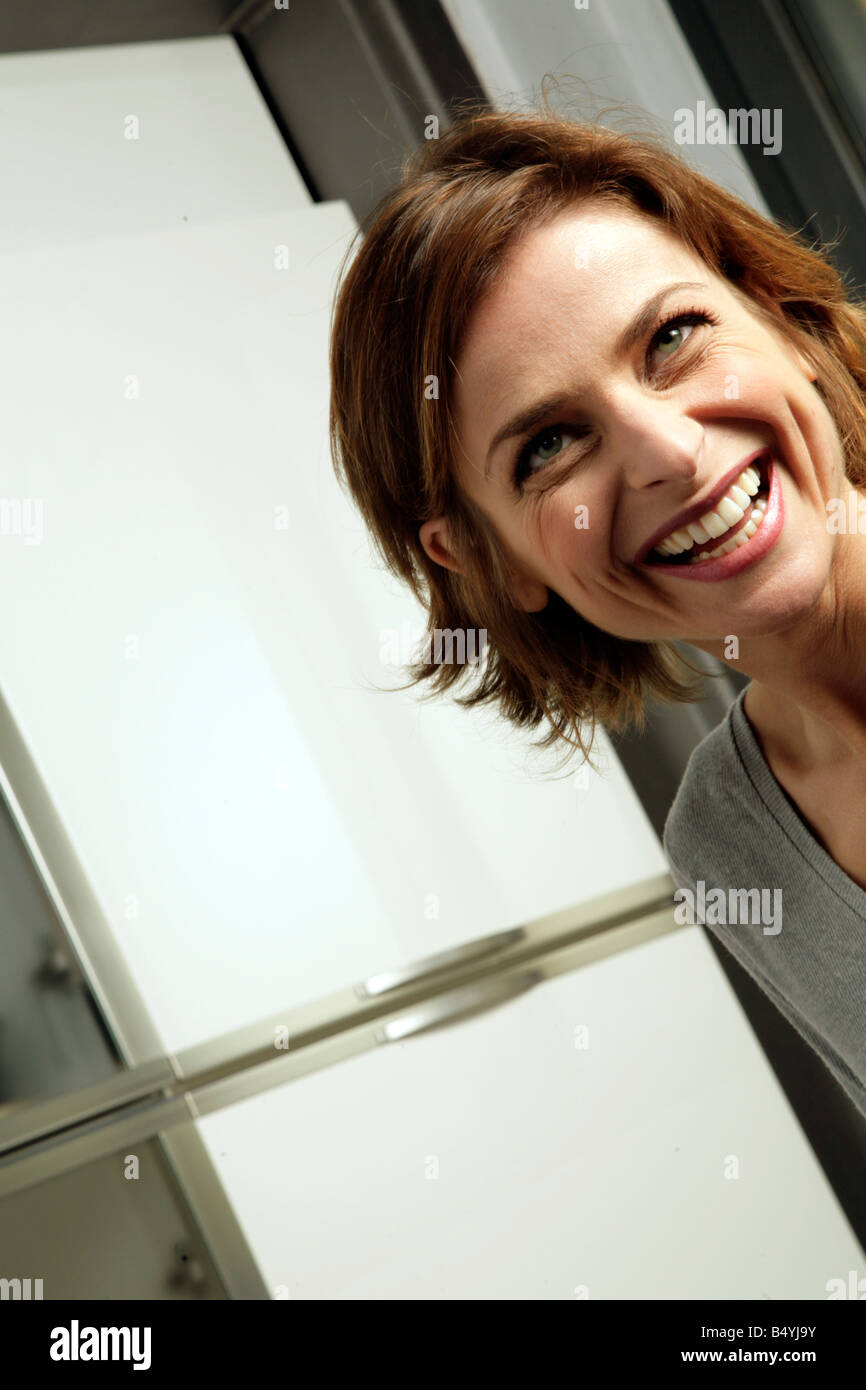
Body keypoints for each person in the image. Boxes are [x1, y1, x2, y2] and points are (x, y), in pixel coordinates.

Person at [328, 108, 866, 1118]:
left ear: (769, 313)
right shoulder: (728, 841)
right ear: (491, 559)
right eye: (547, 447)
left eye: (671, 338)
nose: (665, 452)